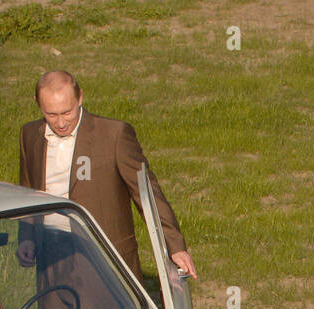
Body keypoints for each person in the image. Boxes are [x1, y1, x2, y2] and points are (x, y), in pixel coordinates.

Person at [18, 70, 196, 281]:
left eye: (67, 112)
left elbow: (147, 193)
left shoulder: (114, 135)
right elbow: (28, 190)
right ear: (38, 105)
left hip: (105, 259)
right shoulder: (30, 135)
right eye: (51, 114)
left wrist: (174, 246)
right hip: (52, 257)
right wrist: (27, 237)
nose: (61, 123)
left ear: (80, 97)